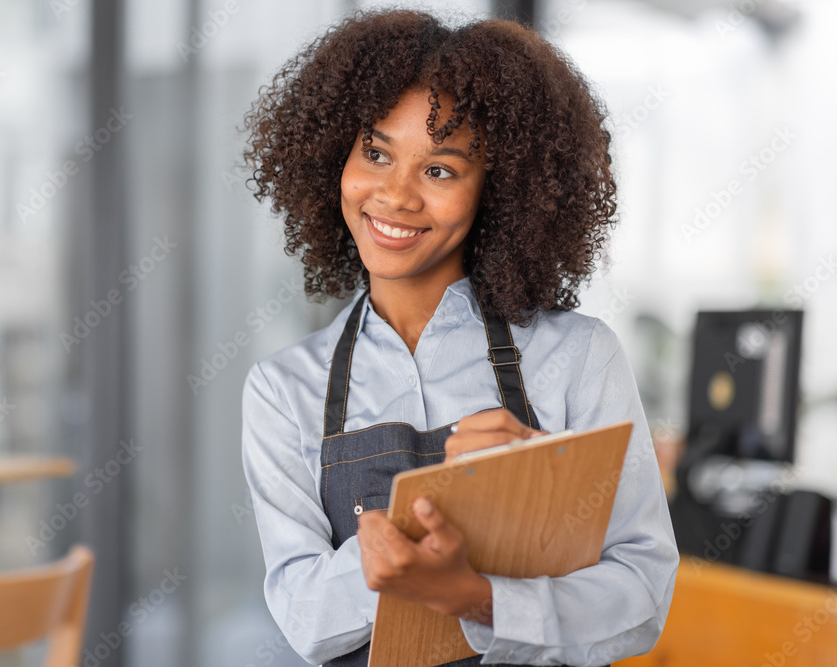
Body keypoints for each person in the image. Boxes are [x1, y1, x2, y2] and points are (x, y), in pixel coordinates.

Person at [239, 9, 677, 667]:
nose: (394, 195)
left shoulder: (578, 359)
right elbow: (307, 620)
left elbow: (642, 595)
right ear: (336, 155)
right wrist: (428, 506)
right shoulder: (284, 390)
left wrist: (478, 597)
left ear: (496, 192)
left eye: (439, 170)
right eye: (377, 152)